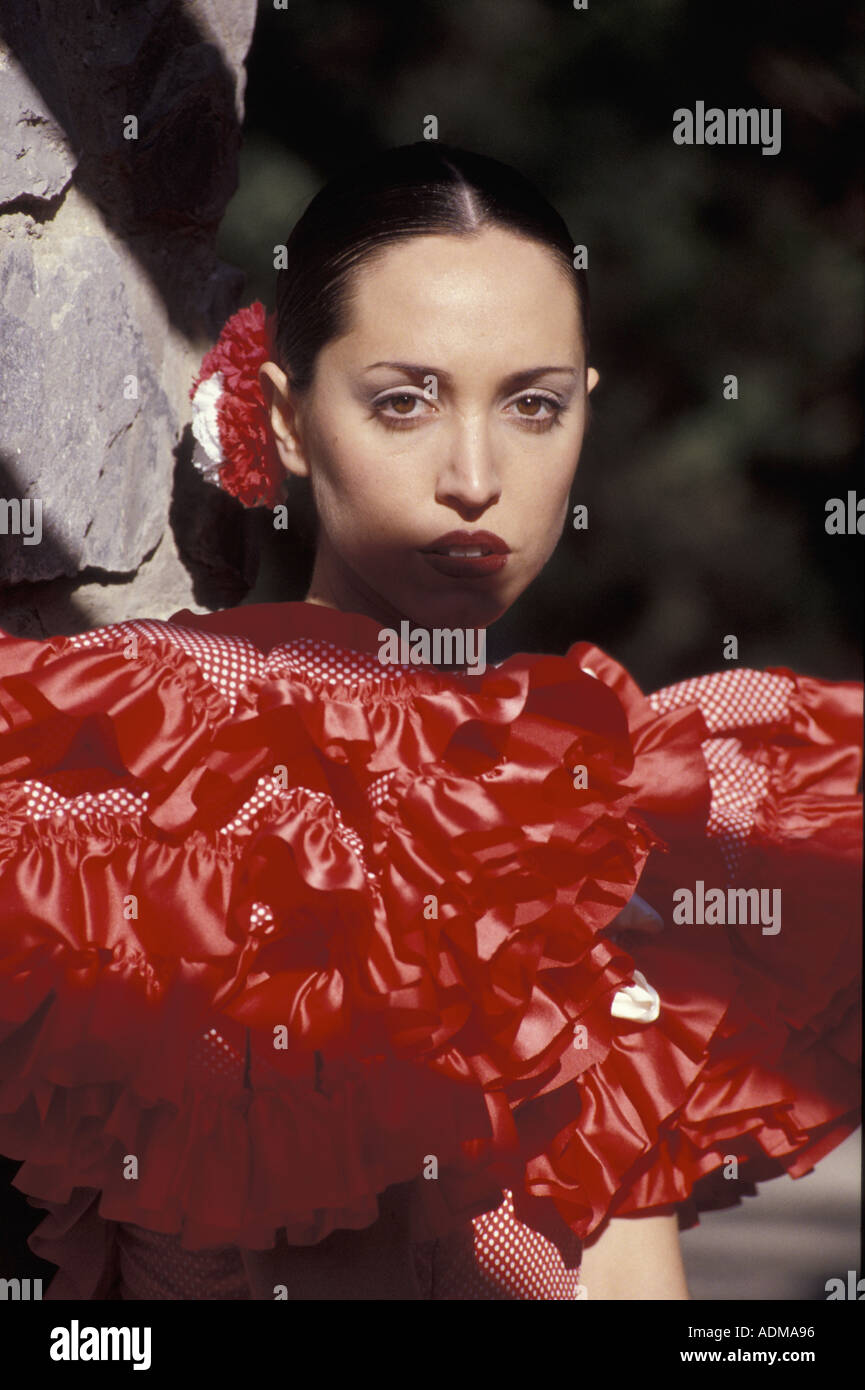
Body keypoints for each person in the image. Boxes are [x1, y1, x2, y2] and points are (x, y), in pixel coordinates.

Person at [0, 142, 860, 1301]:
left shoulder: (622, 808)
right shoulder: (111, 757)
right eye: (403, 401)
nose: (474, 474)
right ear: (287, 420)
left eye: (533, 406)